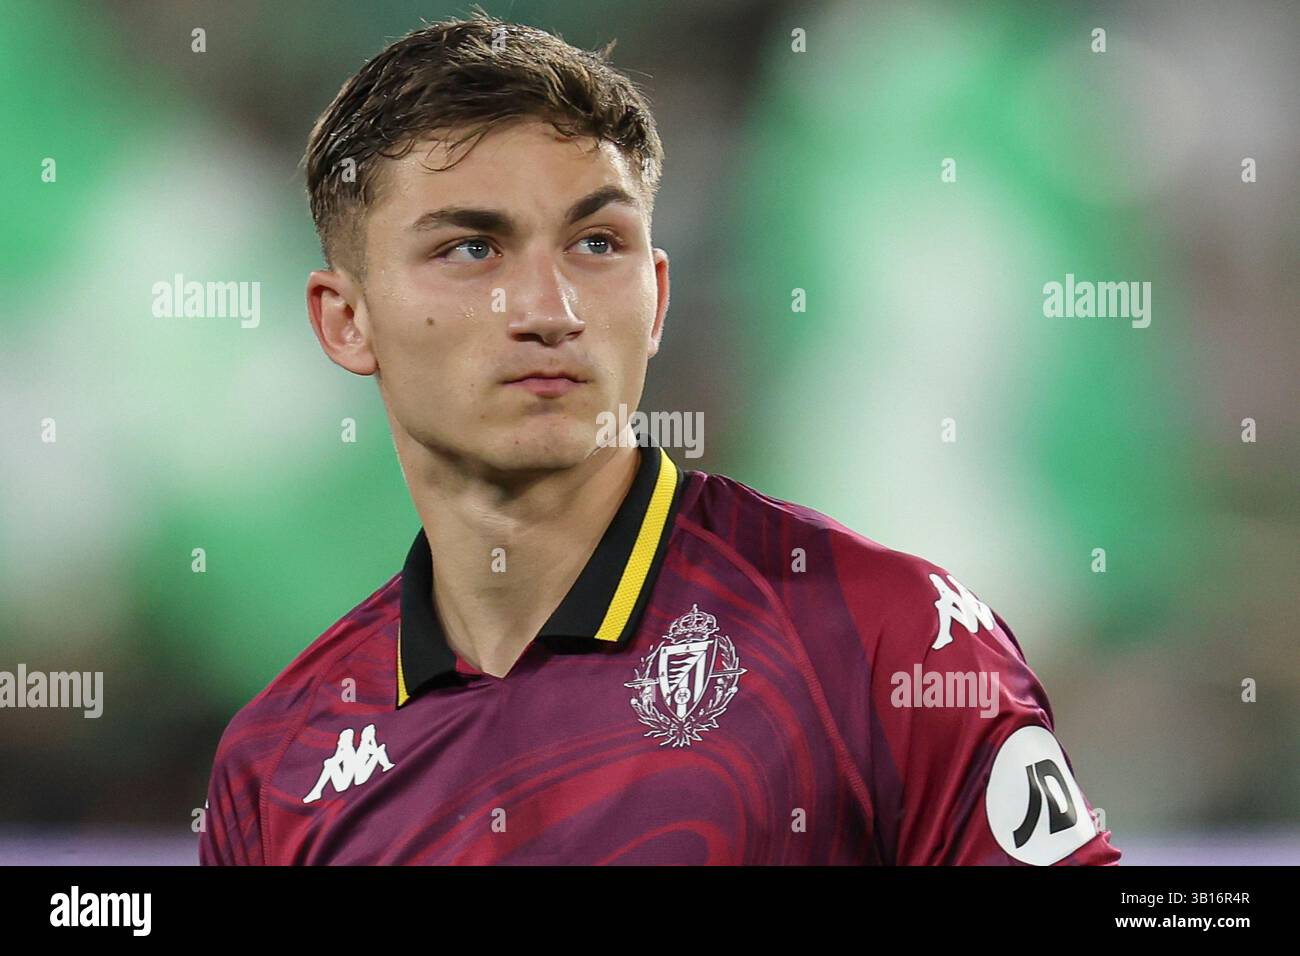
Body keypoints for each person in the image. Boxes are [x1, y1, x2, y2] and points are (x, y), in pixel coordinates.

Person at [199, 10, 1121, 865]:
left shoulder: (880, 636)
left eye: (596, 244)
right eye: (471, 248)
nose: (548, 310)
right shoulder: (277, 764)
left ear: (659, 298)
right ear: (345, 321)